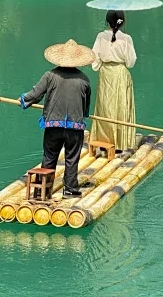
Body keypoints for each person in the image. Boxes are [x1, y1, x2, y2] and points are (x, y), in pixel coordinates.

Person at [19, 39, 93, 198]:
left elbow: (35, 94)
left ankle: (42, 192)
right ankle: (70, 189)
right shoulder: (84, 80)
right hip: (75, 127)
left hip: (53, 125)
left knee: (49, 157)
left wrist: (24, 100)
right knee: (72, 159)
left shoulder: (50, 75)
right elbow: (85, 108)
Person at [91, 10, 137, 151]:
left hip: (106, 73)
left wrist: (101, 65)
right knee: (121, 105)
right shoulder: (126, 38)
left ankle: (105, 140)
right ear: (122, 22)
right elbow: (131, 62)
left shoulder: (100, 36)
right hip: (120, 73)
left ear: (107, 21)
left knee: (105, 106)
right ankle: (119, 143)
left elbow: (94, 59)